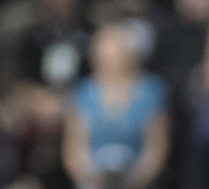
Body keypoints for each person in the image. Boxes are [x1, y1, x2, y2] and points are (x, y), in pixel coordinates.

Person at [63, 23, 170, 189]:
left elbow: (156, 150)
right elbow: (73, 152)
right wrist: (90, 180)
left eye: (114, 56)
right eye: (103, 57)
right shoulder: (82, 94)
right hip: (93, 181)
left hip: (136, 180)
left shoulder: (151, 91)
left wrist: (135, 181)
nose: (108, 63)